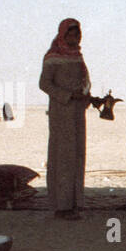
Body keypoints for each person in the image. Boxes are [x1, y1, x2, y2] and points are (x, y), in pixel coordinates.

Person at [39, 18, 90, 221]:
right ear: (63, 34)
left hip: (78, 113)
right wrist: (67, 96)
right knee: (63, 157)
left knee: (77, 156)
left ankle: (75, 203)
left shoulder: (78, 57)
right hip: (62, 113)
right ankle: (62, 206)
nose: (75, 37)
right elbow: (44, 84)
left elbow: (84, 82)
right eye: (71, 33)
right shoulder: (53, 56)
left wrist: (87, 97)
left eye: (77, 34)